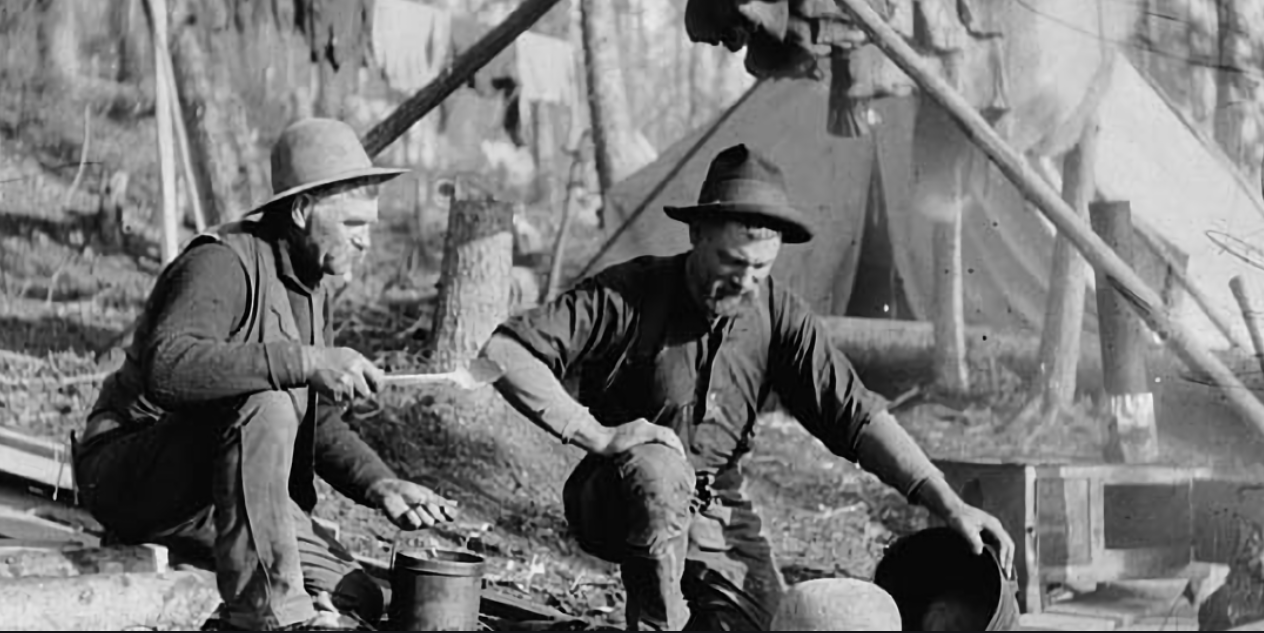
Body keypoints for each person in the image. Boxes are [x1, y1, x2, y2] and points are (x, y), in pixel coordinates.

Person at [476, 143, 1015, 631]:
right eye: (731, 262)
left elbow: (856, 414)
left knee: (769, 625)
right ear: (696, 236)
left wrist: (948, 504)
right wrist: (597, 435)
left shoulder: (776, 314)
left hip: (711, 506)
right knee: (657, 468)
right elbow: (502, 353)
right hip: (617, 493)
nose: (744, 281)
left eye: (759, 268)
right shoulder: (630, 293)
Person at [74, 118, 457, 632]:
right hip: (134, 473)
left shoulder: (312, 286)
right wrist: (303, 361)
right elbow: (169, 367)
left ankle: (243, 594)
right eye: (353, 225)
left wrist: (380, 484)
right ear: (301, 211)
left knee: (358, 597)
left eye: (370, 225)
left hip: (225, 494)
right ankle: (267, 617)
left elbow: (312, 423)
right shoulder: (221, 262)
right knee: (269, 400)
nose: (366, 242)